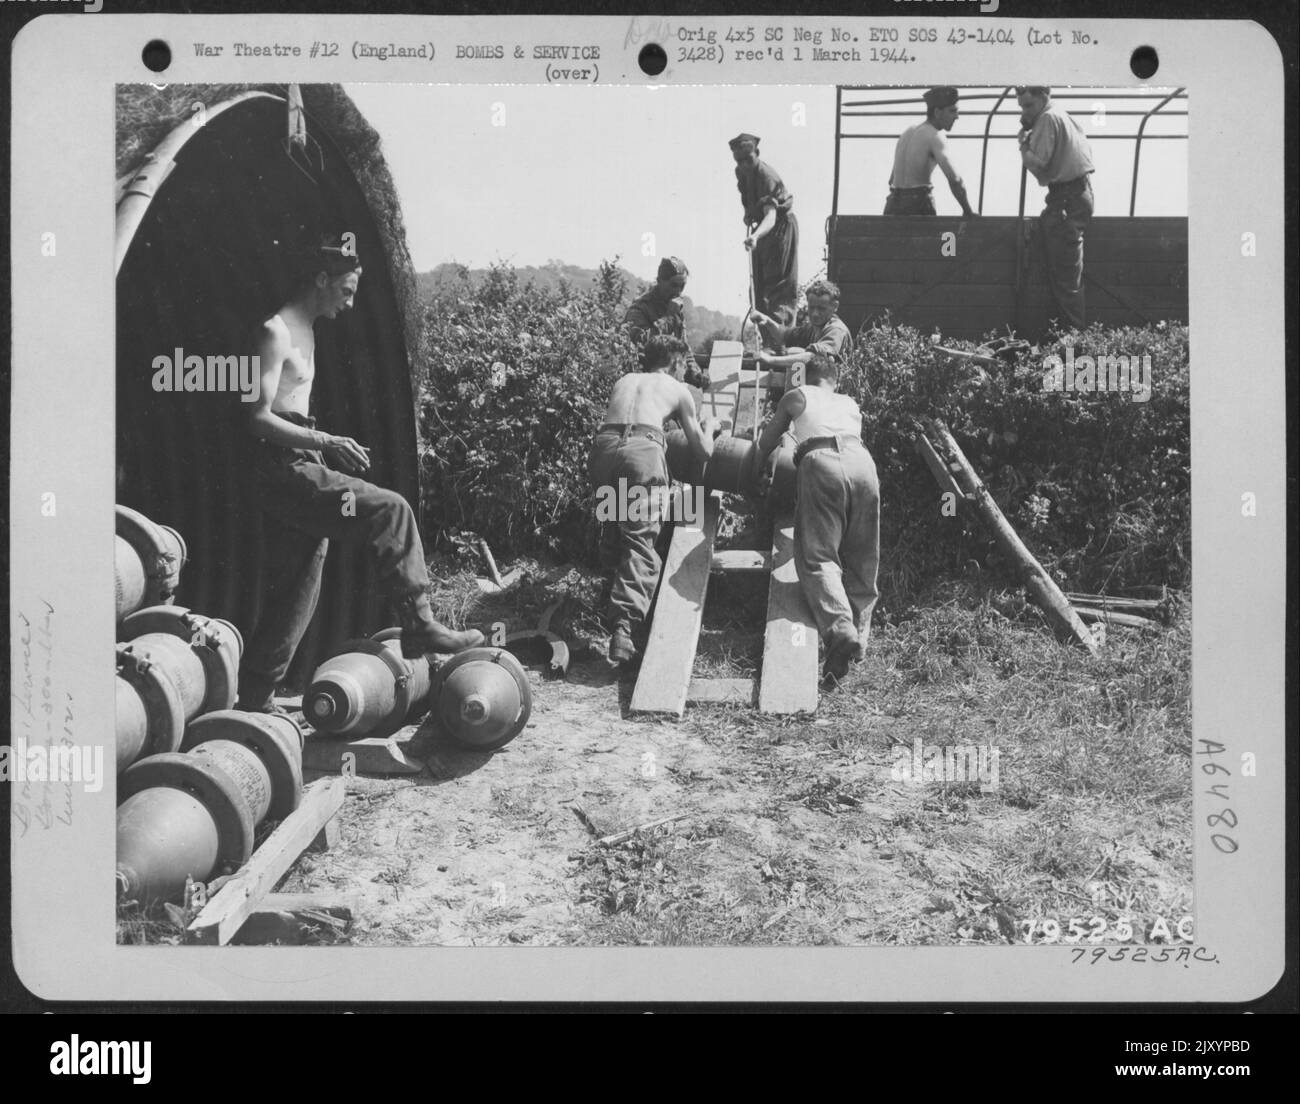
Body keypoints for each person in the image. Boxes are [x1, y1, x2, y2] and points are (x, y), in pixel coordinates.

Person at [235, 237, 483, 713]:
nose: (350, 304)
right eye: (346, 291)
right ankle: (420, 624)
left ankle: (255, 698)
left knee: (299, 580)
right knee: (390, 510)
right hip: (279, 465)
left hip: (297, 460)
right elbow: (257, 417)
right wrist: (326, 442)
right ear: (321, 279)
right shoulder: (275, 332)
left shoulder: (307, 328)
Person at [589, 335, 717, 665]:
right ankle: (623, 629)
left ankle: (601, 601)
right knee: (640, 540)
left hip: (604, 450)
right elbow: (701, 451)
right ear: (675, 363)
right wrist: (710, 428)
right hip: (642, 455)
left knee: (613, 522)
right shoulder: (678, 389)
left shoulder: (626, 379)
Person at [753, 354, 879, 684]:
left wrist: (753, 475)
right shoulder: (850, 403)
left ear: (805, 377)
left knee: (817, 555)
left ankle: (840, 631)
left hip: (822, 461)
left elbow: (765, 444)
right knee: (863, 556)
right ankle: (859, 642)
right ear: (835, 380)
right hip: (864, 464)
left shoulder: (798, 395)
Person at [1016, 85, 1095, 329]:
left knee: (1066, 283)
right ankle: (1066, 338)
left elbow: (1039, 165)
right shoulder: (1061, 114)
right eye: (1022, 106)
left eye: (1029, 105)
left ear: (1044, 97)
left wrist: (1023, 145)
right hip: (1075, 195)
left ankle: (1073, 343)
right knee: (1065, 276)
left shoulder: (1048, 119)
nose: (1025, 111)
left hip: (1065, 200)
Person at [730, 132, 799, 323]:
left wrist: (755, 236)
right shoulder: (742, 173)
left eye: (748, 159)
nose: (743, 165)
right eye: (739, 160)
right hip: (762, 230)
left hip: (780, 228)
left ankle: (781, 339)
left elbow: (771, 215)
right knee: (759, 286)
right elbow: (749, 199)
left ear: (757, 153)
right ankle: (765, 337)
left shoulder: (766, 176)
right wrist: (748, 214)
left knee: (778, 286)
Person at [885, 86, 976, 217]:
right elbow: (955, 180)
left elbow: (891, 180)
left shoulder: (907, 132)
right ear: (938, 112)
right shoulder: (934, 135)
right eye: (952, 111)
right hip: (918, 205)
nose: (957, 117)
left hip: (892, 204)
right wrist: (968, 211)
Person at [750, 278, 853, 390]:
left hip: (836, 391)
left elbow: (813, 357)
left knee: (797, 354)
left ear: (835, 306)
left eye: (821, 308)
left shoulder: (836, 330)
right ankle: (795, 400)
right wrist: (768, 321)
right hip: (816, 387)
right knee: (794, 352)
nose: (815, 314)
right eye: (811, 307)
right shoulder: (813, 327)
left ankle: (795, 402)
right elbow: (784, 335)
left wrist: (770, 360)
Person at [623, 256, 689, 346]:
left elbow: (684, 349)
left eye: (682, 286)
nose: (678, 291)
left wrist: (691, 360)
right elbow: (644, 344)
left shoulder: (675, 308)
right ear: (659, 281)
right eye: (673, 285)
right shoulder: (640, 308)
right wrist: (668, 317)